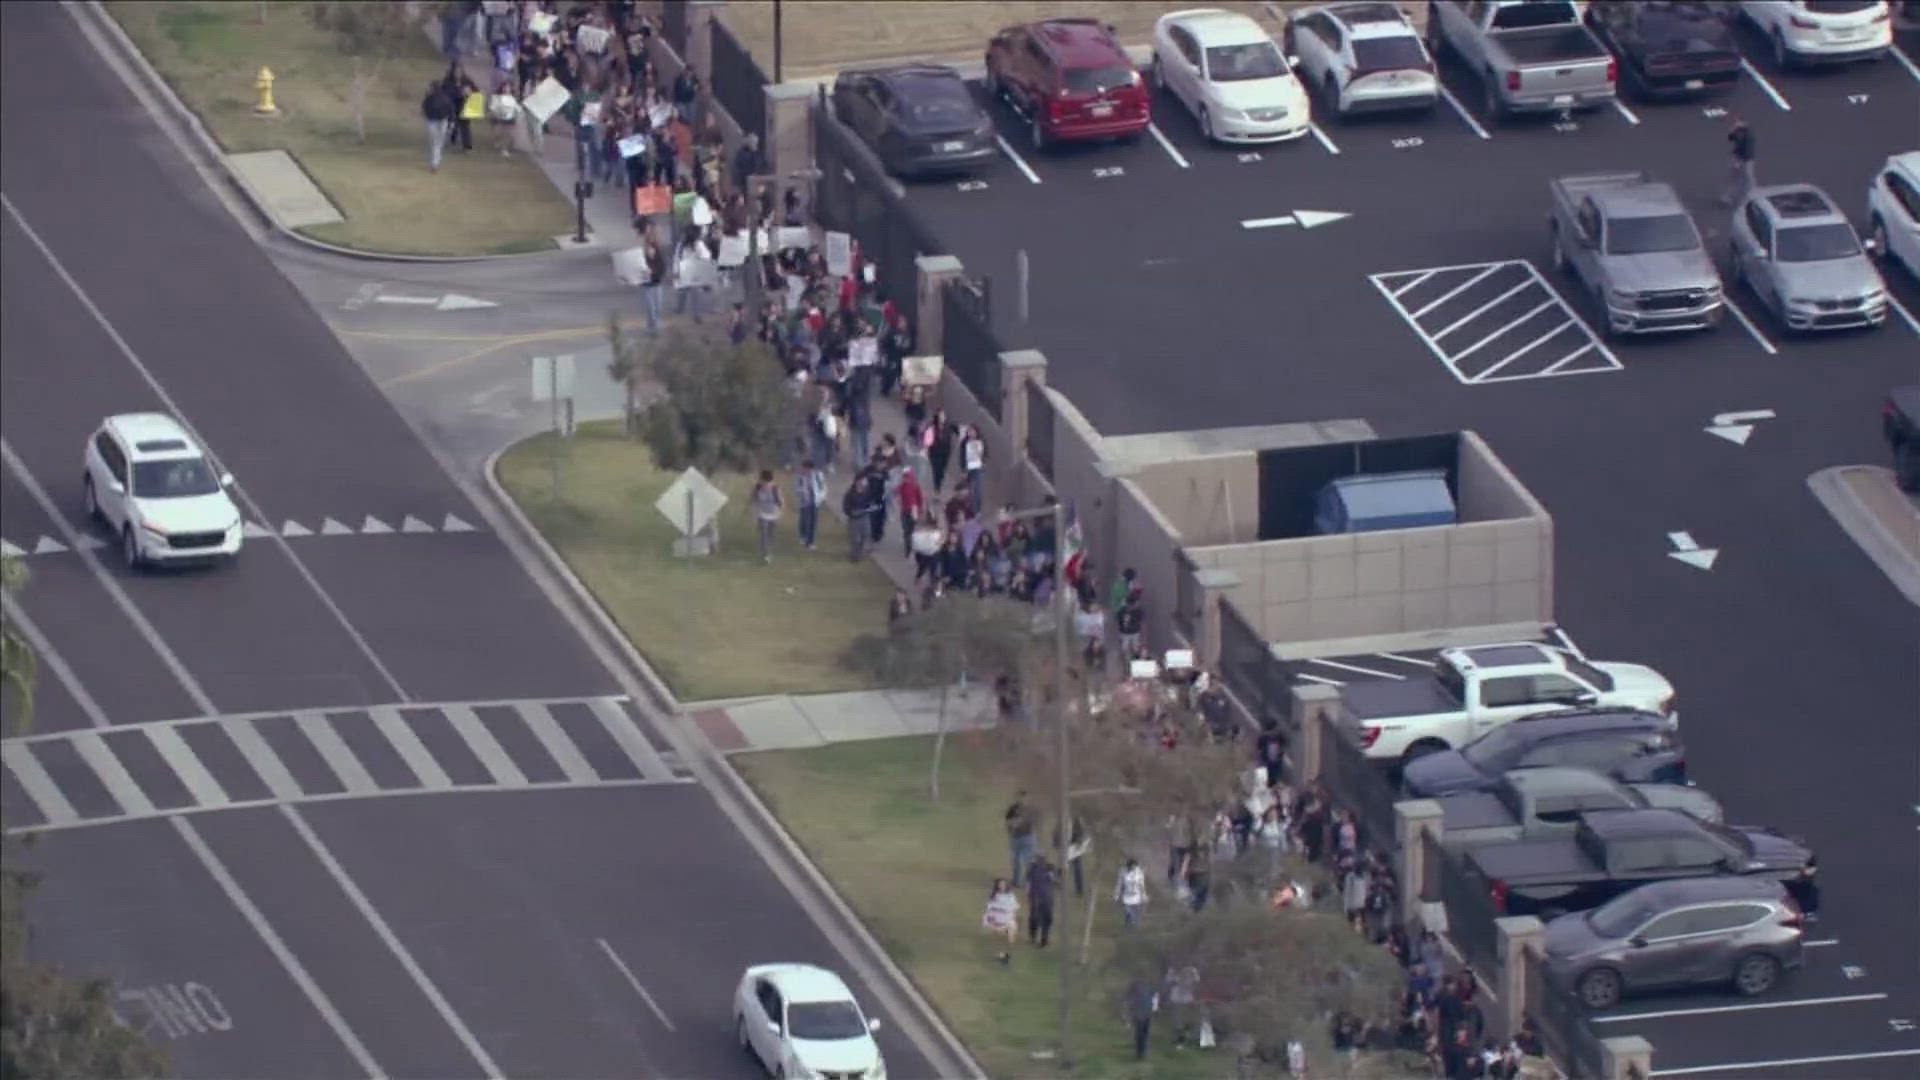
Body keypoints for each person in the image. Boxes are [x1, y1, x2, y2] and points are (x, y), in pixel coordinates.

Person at [981, 877, 1019, 963]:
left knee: (1010, 939)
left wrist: (1012, 916)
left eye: (1003, 884)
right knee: (999, 938)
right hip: (997, 921)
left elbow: (1014, 906)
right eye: (1000, 884)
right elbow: (989, 908)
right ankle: (1002, 954)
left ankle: (1008, 953)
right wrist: (988, 919)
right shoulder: (994, 896)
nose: (1002, 886)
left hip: (1008, 919)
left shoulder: (1010, 895)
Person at [421, 78, 456, 171]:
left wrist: (451, 121)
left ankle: (435, 161)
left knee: (439, 141)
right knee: (435, 141)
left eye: (430, 87)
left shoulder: (444, 97)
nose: (429, 89)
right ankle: (435, 162)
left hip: (442, 121)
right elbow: (424, 108)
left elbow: (450, 109)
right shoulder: (428, 98)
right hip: (432, 121)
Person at [1721, 115, 1756, 207]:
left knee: (1747, 179)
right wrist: (1733, 129)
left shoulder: (1748, 135)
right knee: (1736, 178)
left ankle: (1747, 197)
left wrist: (1739, 161)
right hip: (1739, 158)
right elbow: (1730, 138)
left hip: (1744, 159)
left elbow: (1747, 149)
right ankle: (1729, 197)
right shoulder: (1739, 131)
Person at [1004, 791, 1037, 887]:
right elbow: (1007, 821)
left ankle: (1028, 881)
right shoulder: (1012, 809)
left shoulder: (1030, 809)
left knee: (1028, 861)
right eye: (1020, 798)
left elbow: (1033, 821)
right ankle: (1016, 881)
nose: (1022, 800)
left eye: (1023, 798)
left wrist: (1018, 822)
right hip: (1015, 838)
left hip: (1027, 837)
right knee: (1015, 861)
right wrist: (1011, 828)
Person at [749, 470, 782, 563]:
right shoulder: (757, 488)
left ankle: (768, 552)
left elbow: (779, 502)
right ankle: (765, 554)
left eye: (769, 481)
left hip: (773, 515)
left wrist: (779, 512)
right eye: (765, 481)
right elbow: (753, 500)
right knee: (764, 535)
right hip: (762, 515)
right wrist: (753, 512)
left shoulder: (775, 489)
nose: (767, 484)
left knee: (770, 536)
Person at [792, 459, 825, 550]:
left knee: (813, 522)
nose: (804, 470)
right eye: (803, 468)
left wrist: (821, 497)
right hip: (804, 502)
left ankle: (810, 542)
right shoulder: (799, 477)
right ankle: (803, 536)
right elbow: (796, 488)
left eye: (806, 469)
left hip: (815, 502)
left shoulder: (818, 476)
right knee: (805, 520)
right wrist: (802, 493)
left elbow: (823, 488)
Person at [1025, 854, 1057, 948]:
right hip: (1037, 896)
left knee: (1045, 918)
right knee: (1036, 918)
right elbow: (1028, 882)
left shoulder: (1050, 868)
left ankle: (1043, 940)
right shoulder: (1033, 868)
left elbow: (1056, 881)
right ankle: (1035, 938)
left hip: (1046, 897)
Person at [1125, 974, 1158, 1060]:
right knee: (1141, 1033)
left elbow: (1155, 998)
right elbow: (1128, 997)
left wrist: (1154, 1009)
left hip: (1144, 1011)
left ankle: (1141, 1052)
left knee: (1142, 1033)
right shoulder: (1140, 985)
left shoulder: (1147, 985)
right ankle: (1141, 1052)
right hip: (1142, 1011)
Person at [487, 76, 520, 155]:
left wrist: (516, 113)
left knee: (508, 134)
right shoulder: (497, 97)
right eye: (505, 87)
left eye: (508, 87)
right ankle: (497, 141)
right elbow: (493, 107)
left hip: (510, 118)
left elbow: (517, 108)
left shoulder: (512, 98)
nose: (506, 89)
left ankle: (505, 149)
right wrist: (496, 113)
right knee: (499, 133)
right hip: (499, 118)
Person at [1114, 857, 1147, 929]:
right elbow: (1119, 884)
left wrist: (1144, 896)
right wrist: (1117, 895)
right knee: (1129, 913)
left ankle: (1130, 928)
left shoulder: (1139, 872)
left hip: (1136, 897)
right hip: (1126, 897)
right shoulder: (1123, 871)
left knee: (1135, 915)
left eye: (1134, 867)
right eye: (1132, 867)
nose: (1133, 869)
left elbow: (1142, 885)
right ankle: (1131, 926)